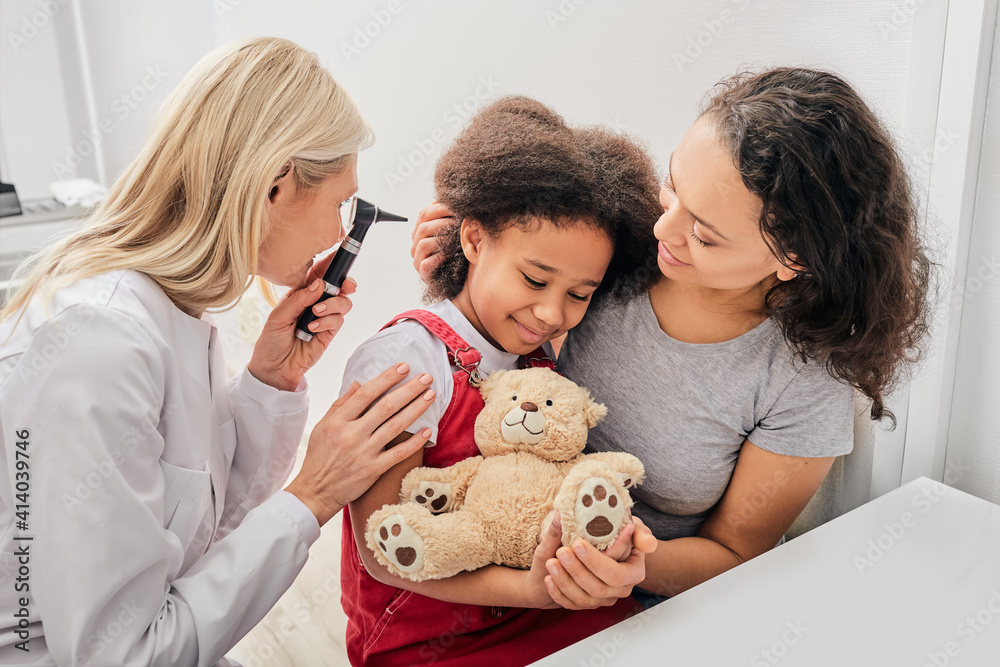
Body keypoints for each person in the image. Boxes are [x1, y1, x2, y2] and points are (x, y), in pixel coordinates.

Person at [412, 68, 932, 609]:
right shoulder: (624, 247)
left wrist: (626, 564)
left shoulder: (801, 380)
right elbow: (513, 319)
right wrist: (462, 271)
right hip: (511, 543)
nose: (664, 228)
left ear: (792, 258)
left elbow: (734, 553)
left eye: (704, 235)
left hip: (652, 600)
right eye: (674, 187)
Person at [0, 37, 436, 666]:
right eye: (340, 204)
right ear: (275, 187)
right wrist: (312, 495)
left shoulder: (172, 315)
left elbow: (194, 533)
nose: (341, 234)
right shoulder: (99, 344)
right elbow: (119, 656)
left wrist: (271, 382)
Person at [341, 96, 663, 666]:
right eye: (535, 278)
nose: (550, 312)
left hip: (539, 605)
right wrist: (530, 590)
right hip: (424, 629)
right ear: (473, 239)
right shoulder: (408, 365)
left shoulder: (541, 353)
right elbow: (381, 551)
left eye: (579, 295)